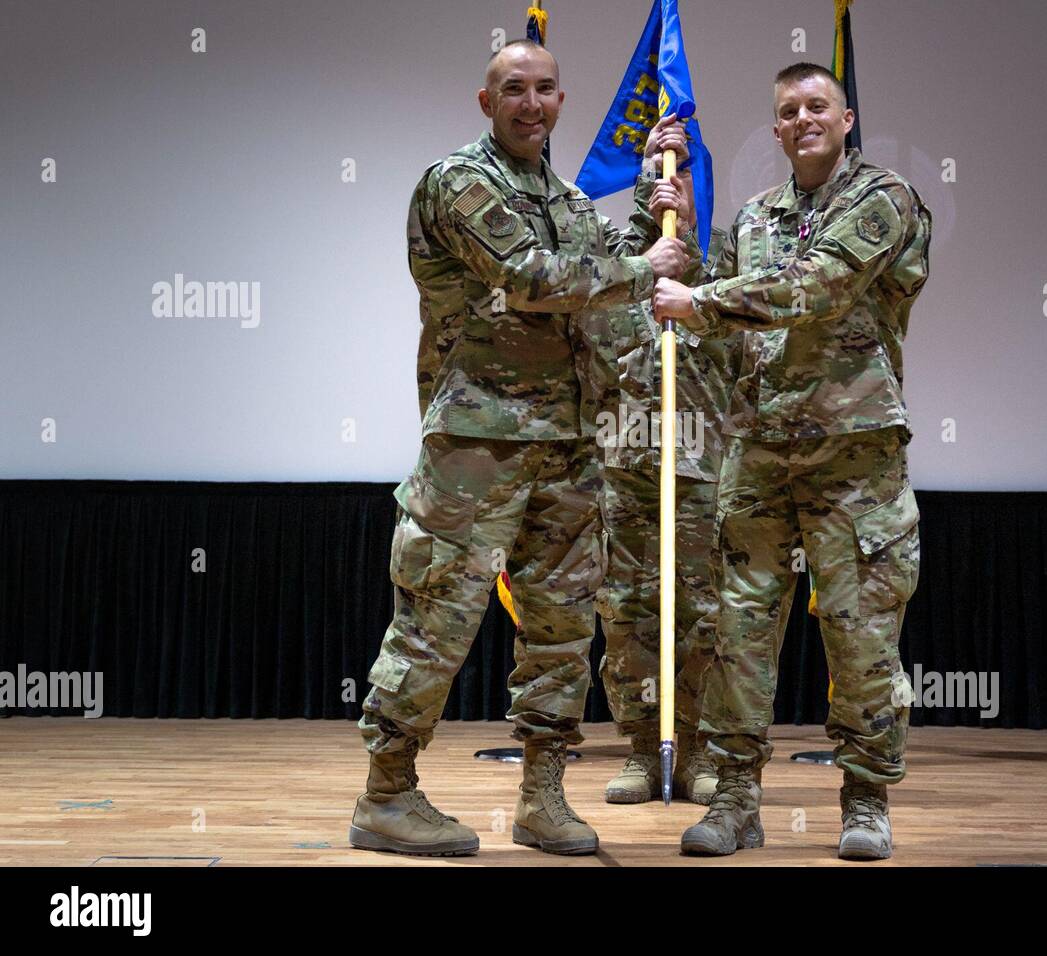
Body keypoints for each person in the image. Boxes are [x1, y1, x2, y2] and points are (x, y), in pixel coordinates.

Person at [350, 38, 689, 858]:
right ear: (485, 100)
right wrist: (645, 267)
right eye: (514, 89)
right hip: (478, 444)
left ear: (561, 102)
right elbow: (535, 278)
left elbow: (601, 272)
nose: (530, 103)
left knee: (563, 631)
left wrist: (652, 194)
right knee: (437, 619)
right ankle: (386, 797)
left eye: (544, 89)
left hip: (568, 448)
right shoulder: (458, 183)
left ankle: (542, 797)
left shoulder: (565, 198)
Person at [652, 62, 931, 859]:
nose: (804, 118)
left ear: (846, 119)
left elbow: (819, 285)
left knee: (861, 637)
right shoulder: (753, 218)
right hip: (760, 451)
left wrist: (699, 300)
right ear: (776, 129)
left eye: (818, 106)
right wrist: (681, 229)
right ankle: (736, 800)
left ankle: (866, 801)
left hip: (855, 457)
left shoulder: (883, 200)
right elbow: (728, 320)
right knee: (737, 634)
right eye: (788, 111)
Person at [575, 170, 734, 803]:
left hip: (699, 470)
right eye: (650, 171)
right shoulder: (612, 267)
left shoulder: (723, 260)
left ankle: (696, 750)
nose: (662, 185)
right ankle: (643, 749)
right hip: (625, 470)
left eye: (675, 168)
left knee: (702, 615)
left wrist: (690, 241)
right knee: (628, 612)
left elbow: (743, 339)